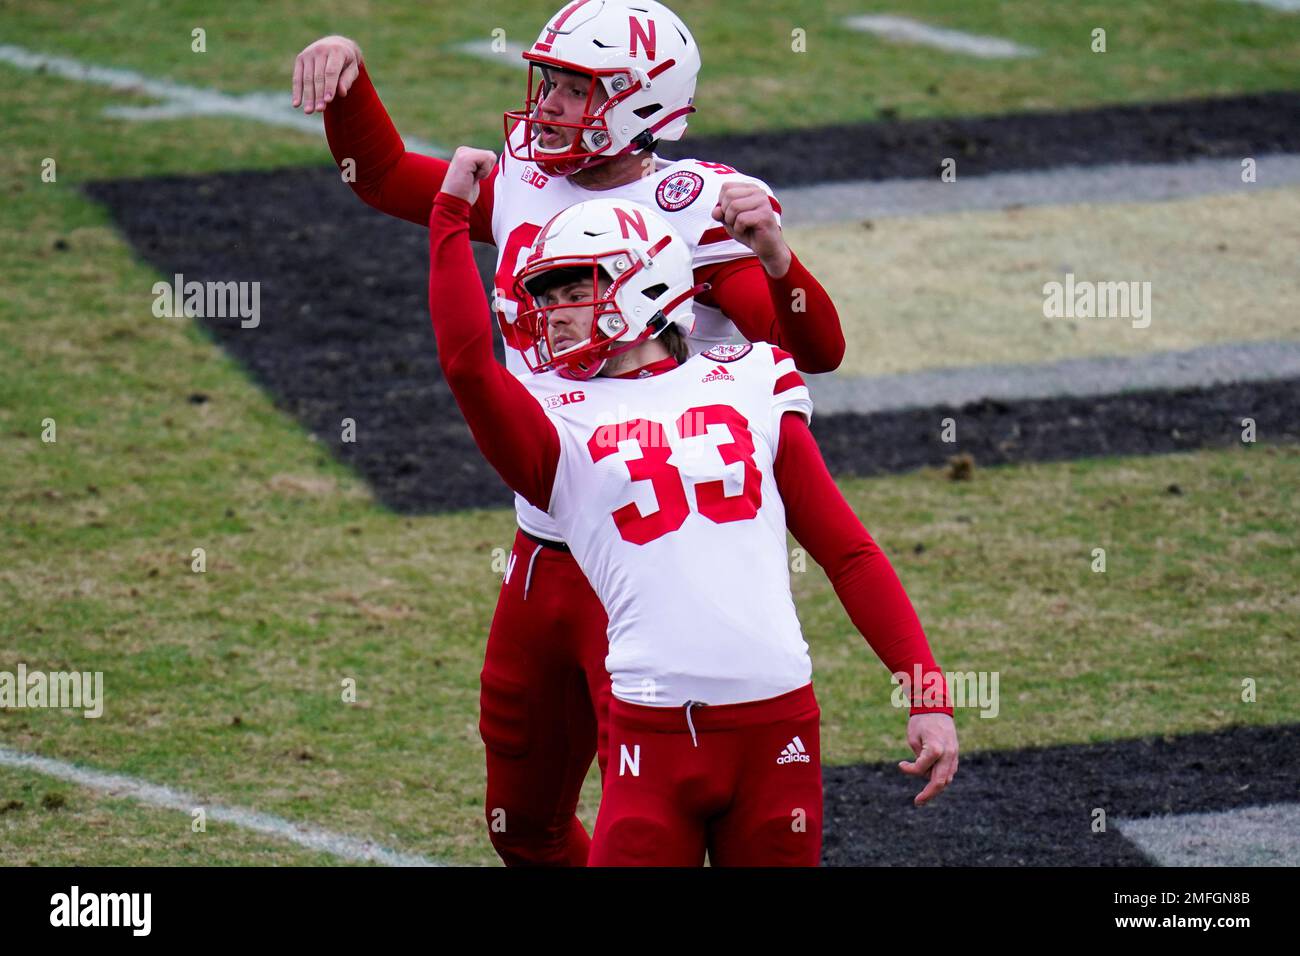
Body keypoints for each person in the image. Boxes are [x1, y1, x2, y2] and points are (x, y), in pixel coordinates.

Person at [292, 0, 850, 866]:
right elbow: (386, 177)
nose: (545, 103)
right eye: (546, 81)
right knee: (521, 825)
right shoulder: (525, 178)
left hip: (641, 549)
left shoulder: (695, 203)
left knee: (654, 818)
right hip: (541, 541)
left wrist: (775, 255)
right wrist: (347, 82)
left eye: (573, 89)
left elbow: (812, 347)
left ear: (641, 101)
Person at [427, 145, 958, 865]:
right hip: (653, 732)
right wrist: (450, 217)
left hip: (781, 725)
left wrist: (926, 691)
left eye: (571, 289)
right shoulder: (553, 419)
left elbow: (848, 550)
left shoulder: (752, 378)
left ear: (644, 282)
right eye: (544, 295)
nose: (551, 313)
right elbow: (467, 364)